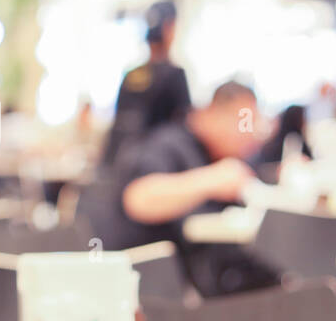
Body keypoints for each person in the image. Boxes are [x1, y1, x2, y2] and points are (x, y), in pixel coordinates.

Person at [116, 80, 279, 296]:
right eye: (242, 123)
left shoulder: (224, 154)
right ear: (212, 113)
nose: (249, 135)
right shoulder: (169, 144)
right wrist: (212, 180)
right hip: (164, 290)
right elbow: (138, 199)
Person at [100, 0, 191, 168]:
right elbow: (184, 127)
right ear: (168, 28)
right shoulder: (175, 76)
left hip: (118, 167)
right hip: (155, 172)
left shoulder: (131, 74)